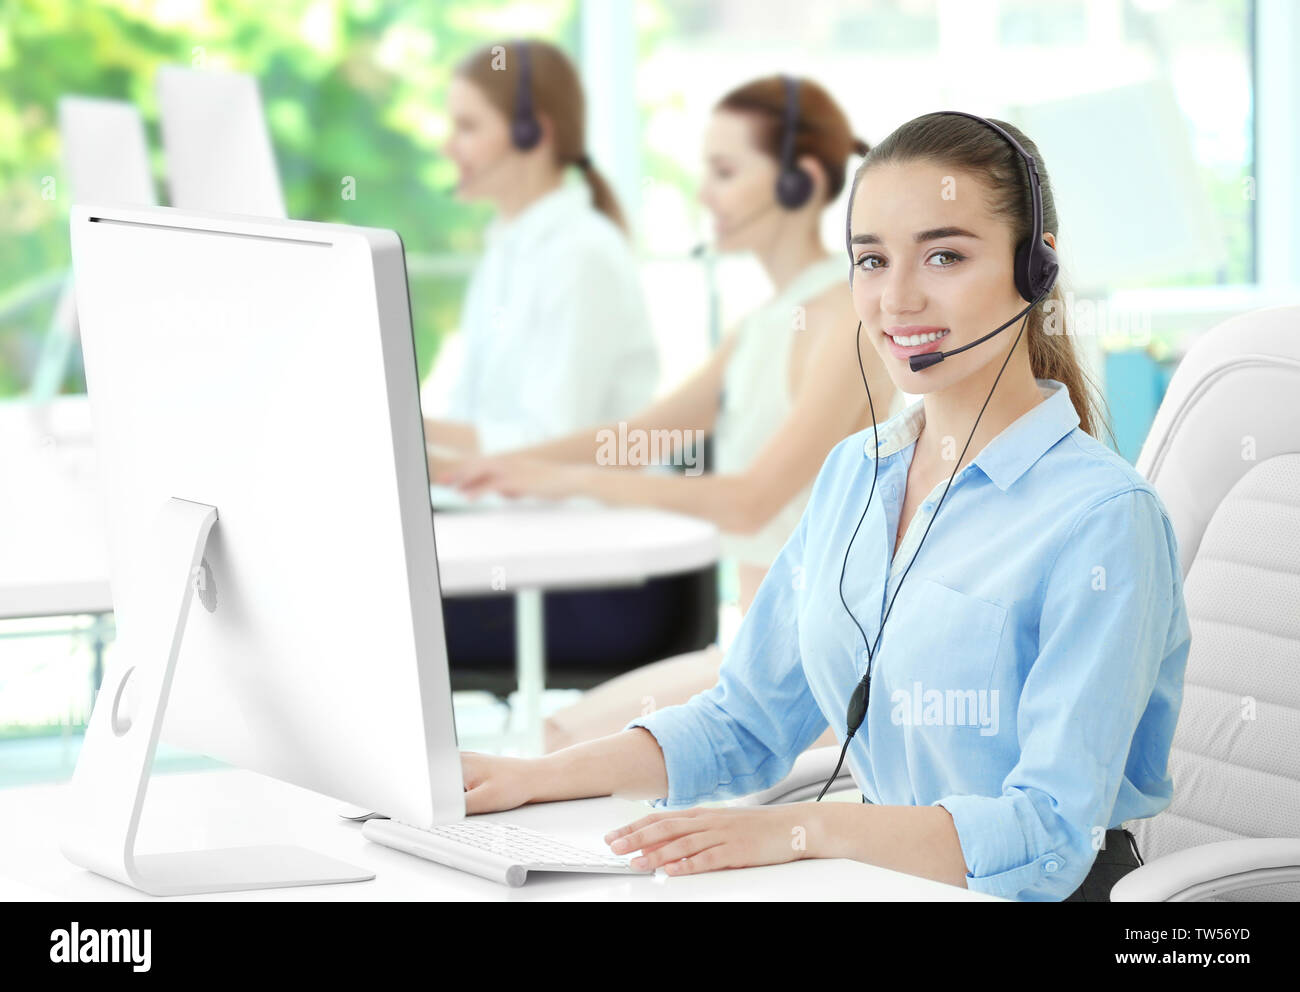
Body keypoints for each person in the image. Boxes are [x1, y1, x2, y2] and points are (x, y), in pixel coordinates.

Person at [454, 111, 1192, 903]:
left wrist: (805, 831)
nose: (897, 298)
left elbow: (1049, 835)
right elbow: (746, 720)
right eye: (871, 260)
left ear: (1034, 270)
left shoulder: (1103, 519)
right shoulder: (856, 475)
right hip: (879, 881)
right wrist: (533, 777)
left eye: (944, 254)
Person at [437, 75, 897, 752]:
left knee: (572, 750)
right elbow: (636, 438)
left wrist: (570, 483)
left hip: (823, 681)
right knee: (558, 733)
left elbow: (748, 503)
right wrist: (498, 466)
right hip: (759, 660)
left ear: (798, 181)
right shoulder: (761, 323)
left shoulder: (845, 319)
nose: (704, 194)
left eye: (725, 172)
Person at [425, 39, 658, 456]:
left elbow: (552, 442)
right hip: (505, 508)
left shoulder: (583, 255)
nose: (448, 147)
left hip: (575, 515)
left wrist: (412, 430)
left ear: (532, 133)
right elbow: (470, 414)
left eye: (467, 127)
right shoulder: (504, 251)